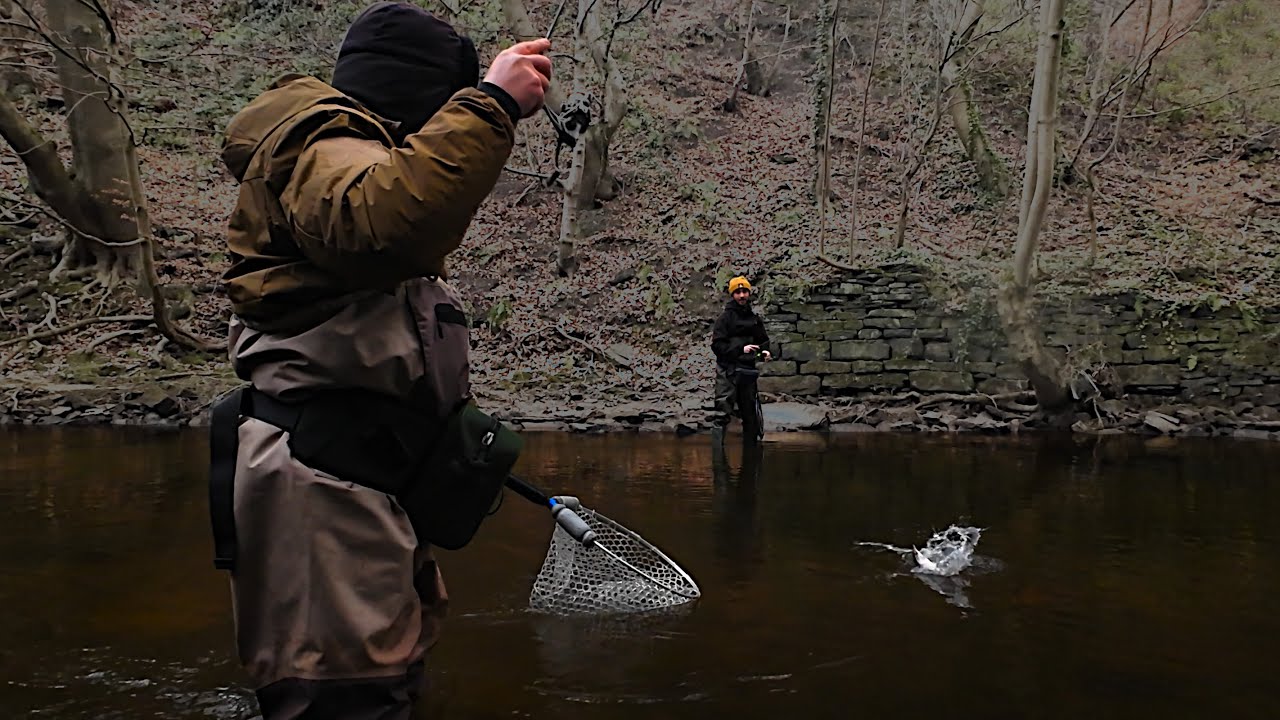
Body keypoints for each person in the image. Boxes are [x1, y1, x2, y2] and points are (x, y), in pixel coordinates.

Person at [207, 3, 551, 718]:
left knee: (383, 681)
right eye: (441, 110)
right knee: (343, 699)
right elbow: (382, 224)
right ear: (415, 99)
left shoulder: (345, 149)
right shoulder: (321, 139)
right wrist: (488, 106)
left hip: (360, 476)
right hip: (323, 482)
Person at [710, 275, 771, 445]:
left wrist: (764, 353)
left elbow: (763, 341)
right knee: (722, 413)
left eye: (744, 291)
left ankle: (751, 459)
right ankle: (718, 461)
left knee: (751, 416)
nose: (742, 295)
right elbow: (717, 346)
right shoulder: (725, 319)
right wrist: (739, 349)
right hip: (727, 371)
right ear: (733, 295)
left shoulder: (754, 319)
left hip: (748, 372)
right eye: (738, 292)